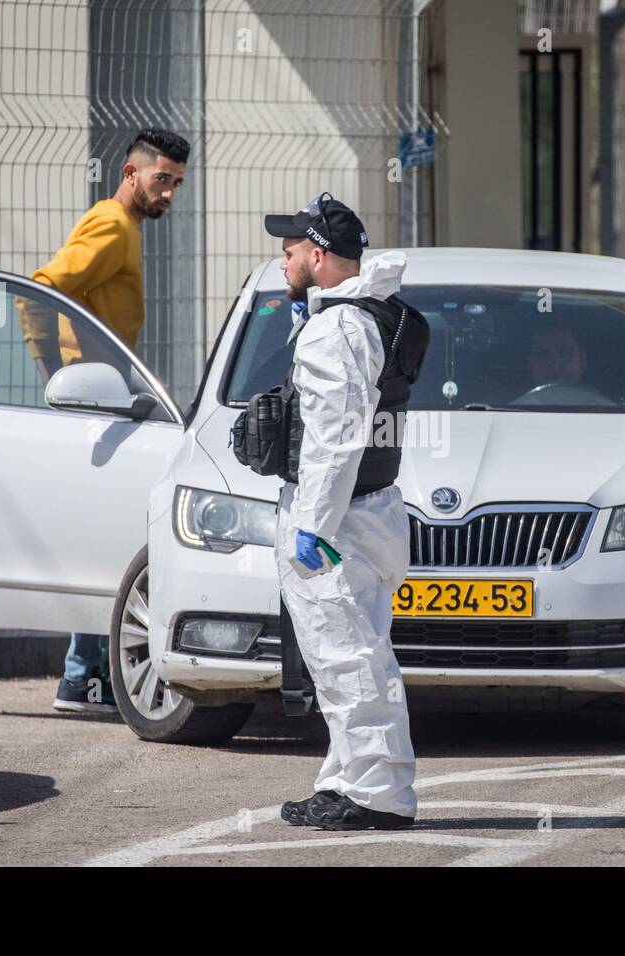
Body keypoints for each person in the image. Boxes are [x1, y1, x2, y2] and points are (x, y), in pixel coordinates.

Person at [264, 193, 424, 830]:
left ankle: (378, 794)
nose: (284, 257)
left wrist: (312, 529)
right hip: (372, 513)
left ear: (321, 255)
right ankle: (345, 780)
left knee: (346, 660)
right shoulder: (375, 313)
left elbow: (336, 439)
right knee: (353, 655)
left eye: (293, 247)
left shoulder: (337, 329)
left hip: (340, 523)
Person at [23, 127, 189, 713]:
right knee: (115, 535)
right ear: (130, 173)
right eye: (160, 179)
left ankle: (82, 676)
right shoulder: (113, 225)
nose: (167, 192)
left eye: (176, 183)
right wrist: (54, 376)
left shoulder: (126, 230)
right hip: (94, 405)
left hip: (107, 402)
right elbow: (40, 291)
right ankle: (81, 676)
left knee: (108, 534)